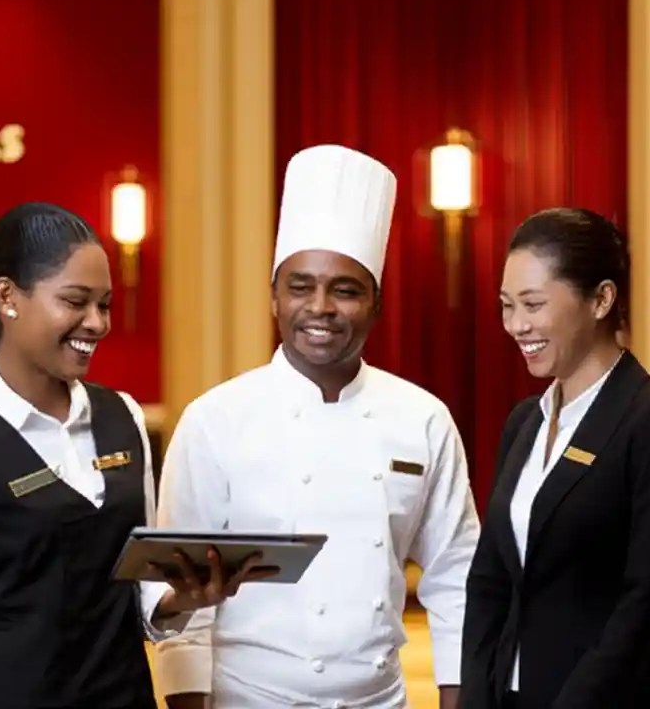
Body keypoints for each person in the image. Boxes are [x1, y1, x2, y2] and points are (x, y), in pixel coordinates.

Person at [152, 145, 481, 709]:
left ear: (376, 303)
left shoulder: (423, 418)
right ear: (274, 297)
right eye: (300, 286)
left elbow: (457, 579)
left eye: (345, 290)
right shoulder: (215, 420)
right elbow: (182, 593)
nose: (320, 307)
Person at [0, 202, 255, 709]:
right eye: (75, 302)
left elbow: (138, 589)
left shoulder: (123, 416)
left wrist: (184, 599)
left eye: (104, 304)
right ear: (7, 297)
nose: (97, 323)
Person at [461, 208, 650, 709]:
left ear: (601, 299)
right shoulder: (524, 422)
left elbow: (645, 605)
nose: (516, 325)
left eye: (533, 304)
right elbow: (490, 580)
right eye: (507, 306)